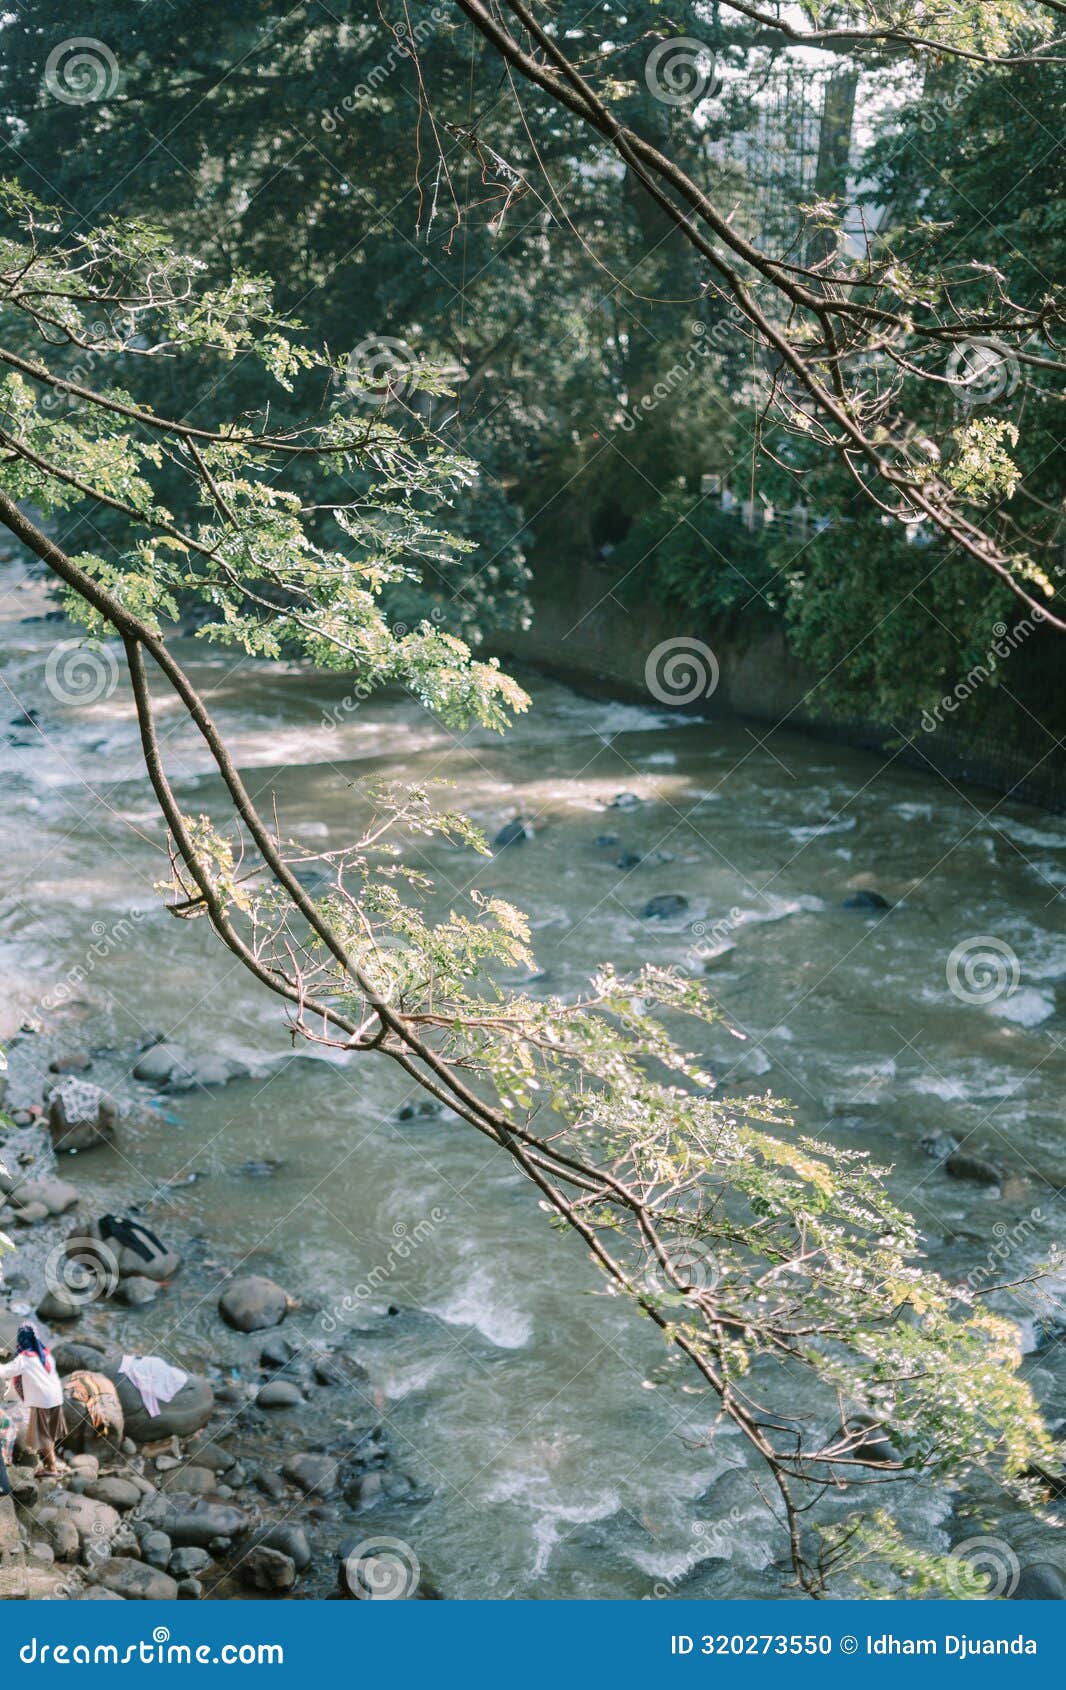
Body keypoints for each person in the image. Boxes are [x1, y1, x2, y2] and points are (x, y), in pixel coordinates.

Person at [0, 1324, 66, 1477]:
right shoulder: (45, 1354)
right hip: (54, 1398)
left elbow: (4, 1372)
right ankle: (52, 1463)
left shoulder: (25, 1358)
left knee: (40, 1433)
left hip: (40, 1400)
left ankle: (50, 1467)